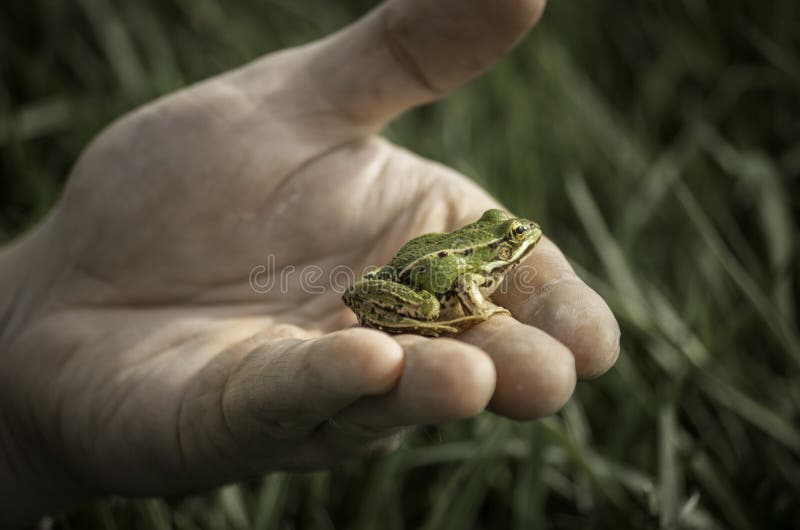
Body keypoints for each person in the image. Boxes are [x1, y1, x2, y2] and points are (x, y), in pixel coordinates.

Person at [0, 0, 620, 526]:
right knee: (437, 311)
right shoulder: (484, 260)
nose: (520, 236)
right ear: (500, 242)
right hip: (419, 286)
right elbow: (458, 281)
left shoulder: (474, 248)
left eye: (511, 232)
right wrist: (468, 315)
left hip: (398, 275)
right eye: (513, 233)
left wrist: (25, 431)